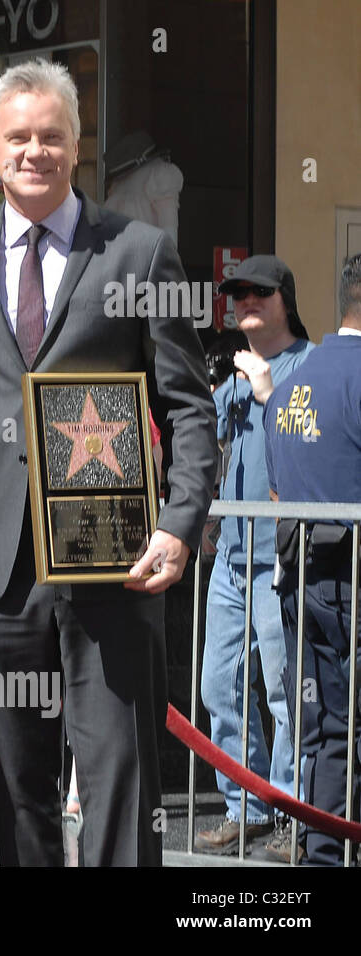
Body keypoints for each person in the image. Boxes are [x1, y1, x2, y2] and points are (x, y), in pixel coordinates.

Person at [0, 59, 218, 866]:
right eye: (17, 137)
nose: (34, 151)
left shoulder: (141, 253)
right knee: (11, 794)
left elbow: (189, 408)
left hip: (113, 561)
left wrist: (179, 525)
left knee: (122, 786)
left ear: (77, 146)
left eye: (51, 136)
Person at [196, 255, 313, 861]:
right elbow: (205, 448)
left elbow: (311, 448)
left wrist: (270, 397)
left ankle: (296, 818)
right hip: (231, 562)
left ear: (284, 300)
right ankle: (247, 808)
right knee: (221, 688)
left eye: (258, 292)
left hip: (284, 562)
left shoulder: (309, 366)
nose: (246, 302)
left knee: (285, 696)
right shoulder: (234, 378)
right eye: (237, 292)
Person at [263, 252, 361, 867]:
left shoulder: (293, 382)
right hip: (351, 582)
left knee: (329, 732)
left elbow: (278, 489)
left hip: (303, 578)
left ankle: (323, 857)